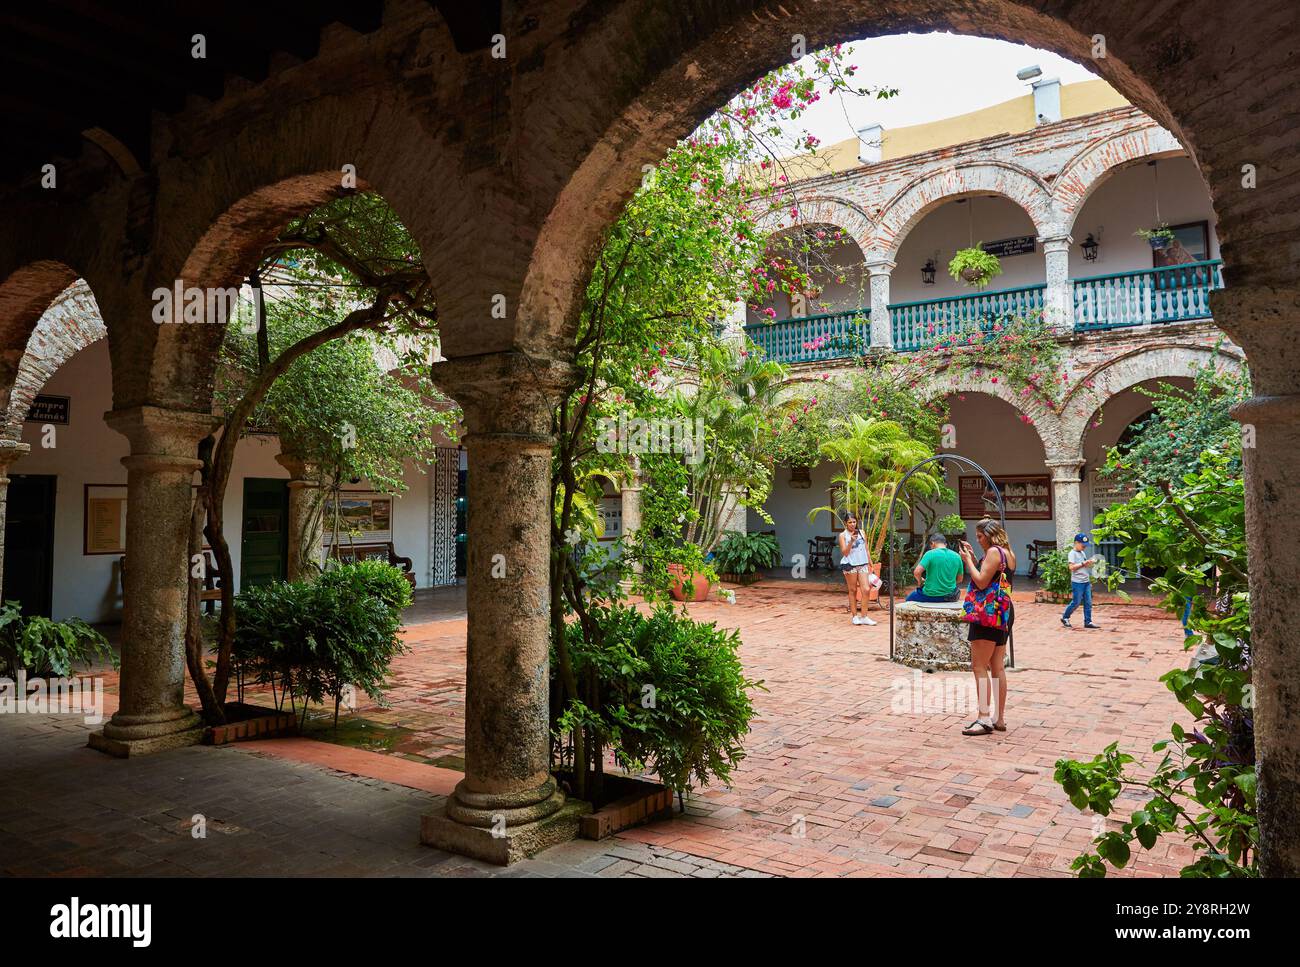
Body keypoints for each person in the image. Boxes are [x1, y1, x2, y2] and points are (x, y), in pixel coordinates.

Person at [957, 518, 1015, 736]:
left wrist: (966, 561)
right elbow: (993, 577)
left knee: (979, 666)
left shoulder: (993, 552)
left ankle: (983, 718)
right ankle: (999, 718)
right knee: (997, 666)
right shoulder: (1008, 554)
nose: (978, 540)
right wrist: (973, 557)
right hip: (1003, 613)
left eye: (980, 536)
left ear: (989, 535)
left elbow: (981, 581)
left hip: (987, 614)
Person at [838, 514, 876, 626]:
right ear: (846, 523)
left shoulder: (862, 532)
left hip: (862, 563)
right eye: (850, 522)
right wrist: (851, 541)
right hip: (850, 564)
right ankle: (855, 616)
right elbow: (845, 552)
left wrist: (870, 562)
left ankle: (864, 616)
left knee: (866, 589)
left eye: (854, 522)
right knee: (853, 590)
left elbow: (866, 548)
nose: (852, 524)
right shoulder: (842, 535)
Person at [906, 534, 963, 603]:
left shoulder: (930, 554)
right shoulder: (957, 556)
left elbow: (917, 572)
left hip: (930, 595)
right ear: (946, 544)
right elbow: (960, 579)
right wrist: (947, 584)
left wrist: (920, 581)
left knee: (908, 599)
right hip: (950, 596)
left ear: (932, 543)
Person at [1061, 532, 1102, 629]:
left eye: (1085, 546)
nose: (1084, 547)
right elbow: (1071, 567)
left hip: (1085, 581)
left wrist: (1090, 563)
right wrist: (1084, 563)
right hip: (1077, 582)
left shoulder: (1082, 553)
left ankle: (1088, 621)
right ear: (1076, 543)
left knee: (1088, 602)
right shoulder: (1072, 554)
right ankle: (1065, 617)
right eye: (1083, 545)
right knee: (1076, 602)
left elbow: (1083, 565)